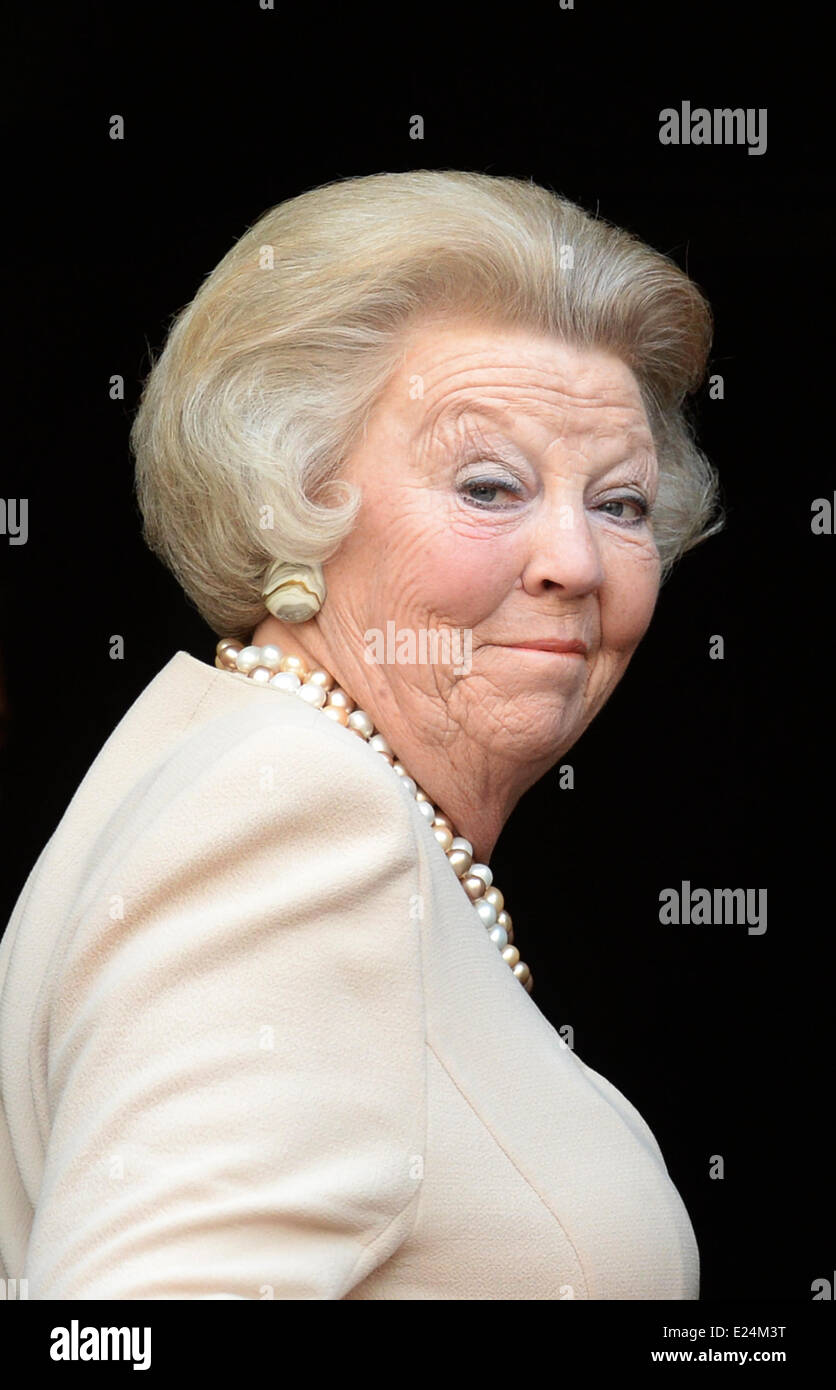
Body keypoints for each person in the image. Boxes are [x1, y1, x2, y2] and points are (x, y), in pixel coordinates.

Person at [0, 169, 723, 1299]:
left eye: (618, 503)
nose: (574, 563)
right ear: (286, 499)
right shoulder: (294, 818)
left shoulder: (241, 767)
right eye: (489, 487)